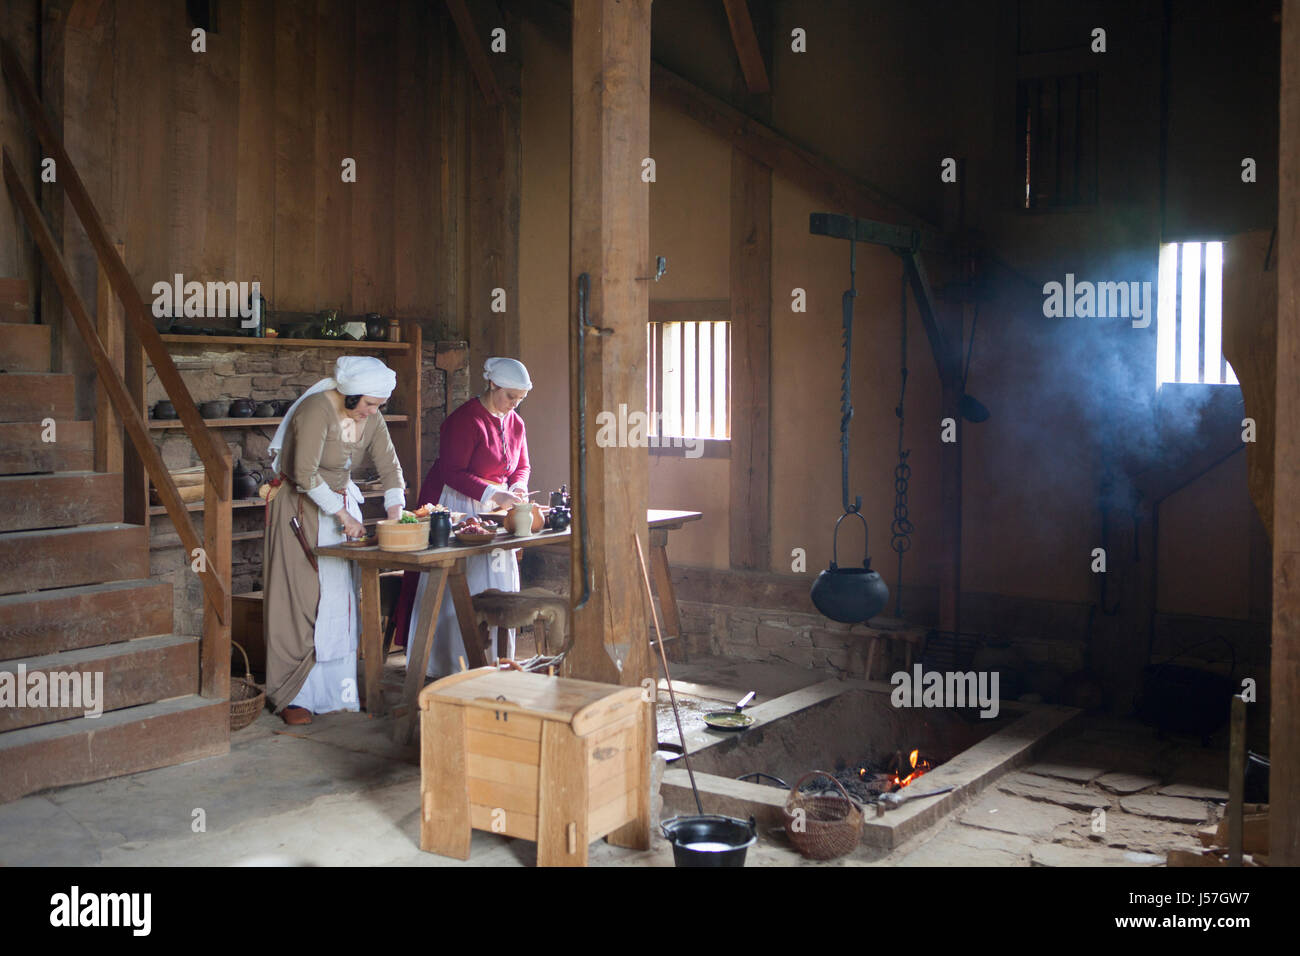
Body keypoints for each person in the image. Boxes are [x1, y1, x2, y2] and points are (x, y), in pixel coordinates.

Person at [263, 355, 405, 725]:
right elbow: (304, 473)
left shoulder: (370, 417)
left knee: (339, 601)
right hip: (301, 510)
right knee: (304, 599)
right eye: (370, 405)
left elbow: (390, 467)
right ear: (351, 394)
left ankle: (336, 691)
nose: (373, 413)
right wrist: (341, 514)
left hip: (340, 507)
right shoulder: (315, 410)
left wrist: (395, 511)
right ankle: (295, 694)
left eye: (378, 406)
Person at [393, 357, 532, 678]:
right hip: (458, 502)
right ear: (492, 385)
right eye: (510, 396)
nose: (514, 405)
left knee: (495, 578)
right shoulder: (464, 420)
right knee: (463, 579)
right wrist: (495, 494)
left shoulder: (516, 423)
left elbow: (522, 464)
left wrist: (518, 486)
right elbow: (451, 471)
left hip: (496, 506)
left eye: (520, 399)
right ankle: (450, 663)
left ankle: (496, 660)